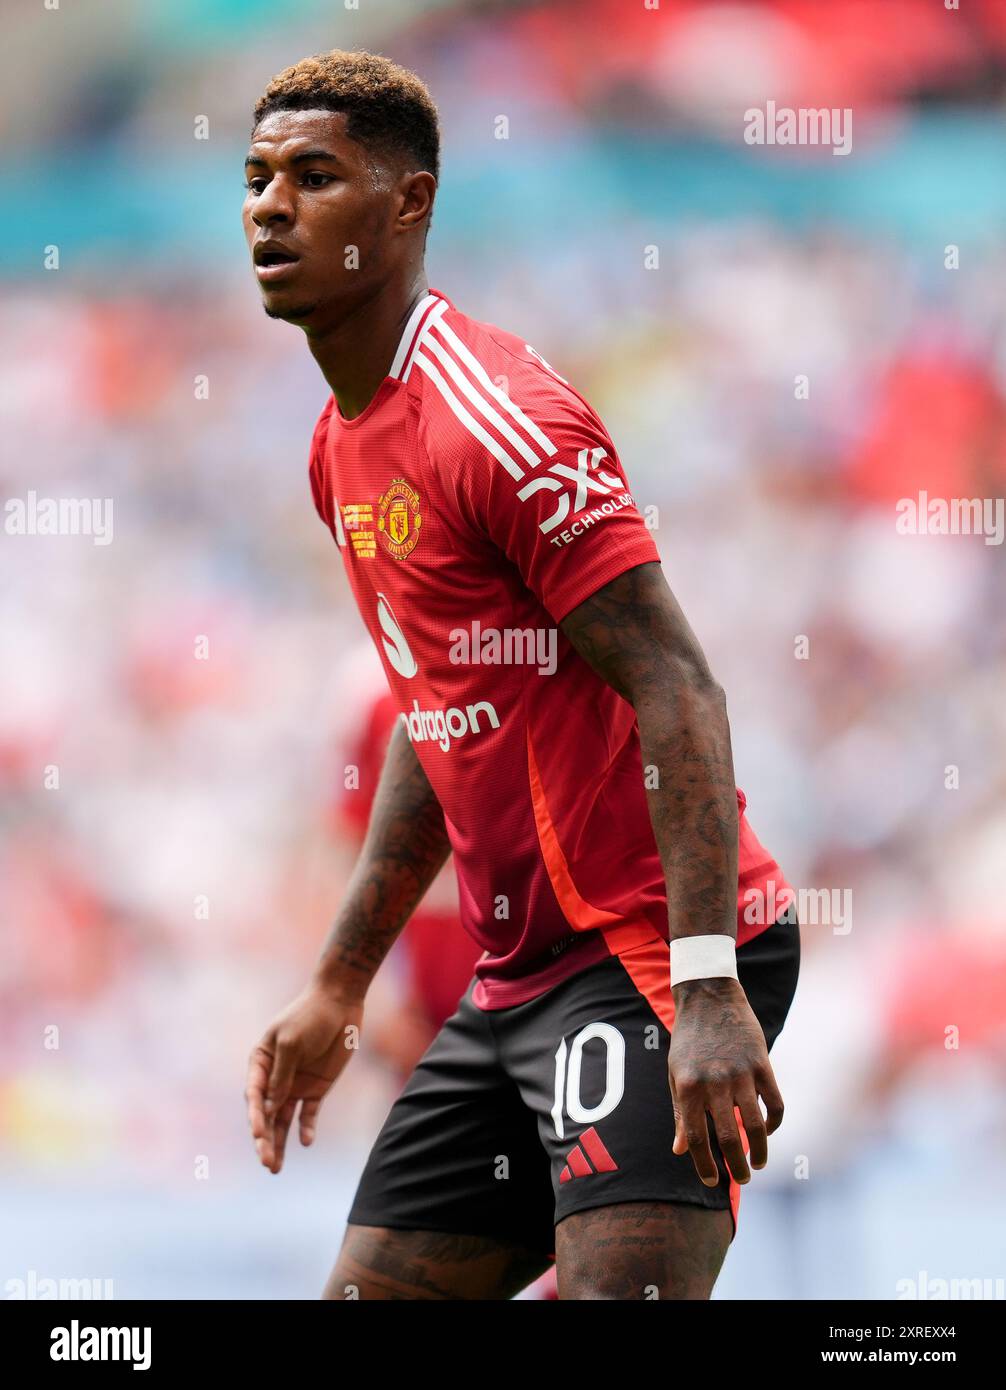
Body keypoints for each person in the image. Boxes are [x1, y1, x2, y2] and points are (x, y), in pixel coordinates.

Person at [242, 49, 800, 1300]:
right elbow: (432, 711)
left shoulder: (495, 419)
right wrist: (338, 981)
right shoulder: (339, 449)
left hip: (654, 953)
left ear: (407, 203)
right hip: (517, 980)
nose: (271, 207)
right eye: (258, 178)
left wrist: (703, 990)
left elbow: (678, 687)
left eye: (315, 176)